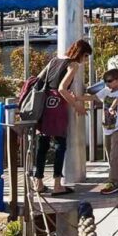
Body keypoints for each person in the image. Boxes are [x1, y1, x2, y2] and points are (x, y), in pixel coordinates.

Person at [29, 38, 92, 196]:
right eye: (85, 57)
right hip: (57, 106)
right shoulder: (73, 65)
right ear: (81, 54)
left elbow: (41, 80)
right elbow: (62, 88)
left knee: (42, 145)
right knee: (60, 144)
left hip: (44, 104)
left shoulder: (54, 60)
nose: (85, 61)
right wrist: (77, 105)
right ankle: (58, 184)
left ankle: (39, 182)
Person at [88, 68, 118, 195]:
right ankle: (116, 178)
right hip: (107, 127)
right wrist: (77, 99)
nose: (107, 83)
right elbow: (95, 97)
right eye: (105, 81)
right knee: (109, 156)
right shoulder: (106, 90)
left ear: (117, 80)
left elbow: (117, 100)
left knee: (114, 155)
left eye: (110, 81)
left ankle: (114, 181)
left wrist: (112, 107)